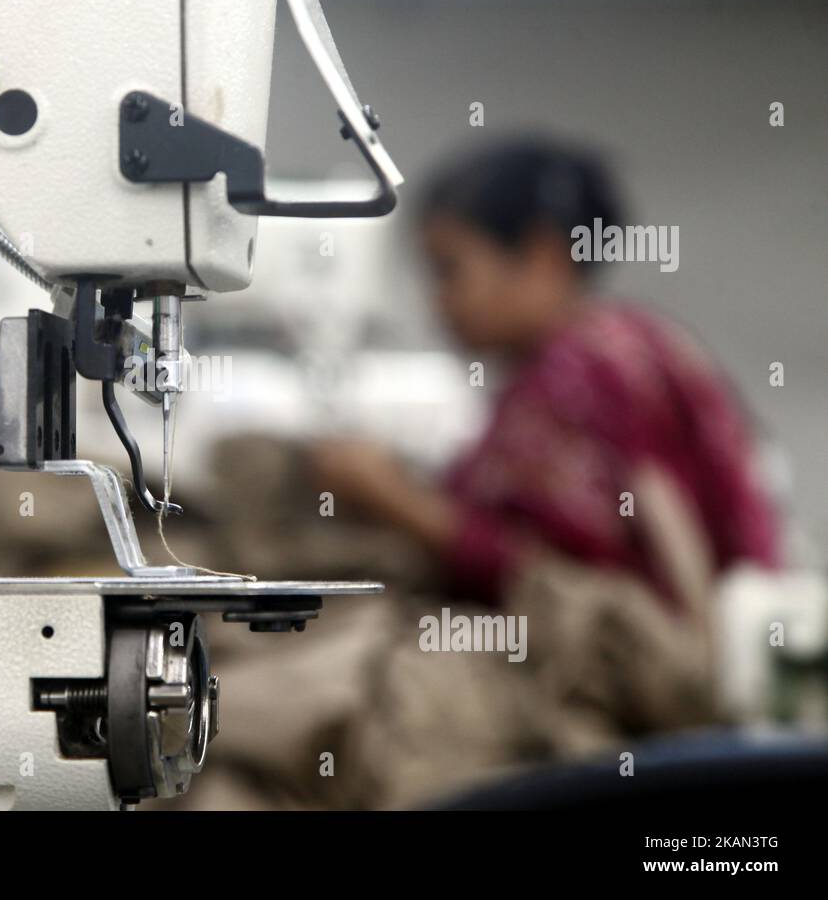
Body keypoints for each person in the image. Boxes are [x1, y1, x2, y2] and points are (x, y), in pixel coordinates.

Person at [311, 137, 781, 613]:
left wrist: (395, 499)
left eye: (449, 270)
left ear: (541, 257)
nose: (437, 302)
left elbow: (569, 584)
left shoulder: (579, 378)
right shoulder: (630, 345)